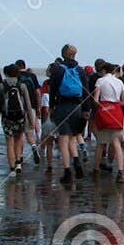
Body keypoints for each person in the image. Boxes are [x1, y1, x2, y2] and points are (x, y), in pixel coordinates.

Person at [48, 45, 88, 182]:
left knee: (63, 139)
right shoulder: (80, 70)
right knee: (73, 137)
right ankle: (76, 162)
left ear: (63, 54)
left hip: (62, 106)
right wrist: (86, 110)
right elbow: (86, 91)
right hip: (77, 106)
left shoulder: (58, 70)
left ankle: (67, 171)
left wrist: (51, 107)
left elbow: (52, 90)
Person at [90, 63, 124, 179]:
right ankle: (120, 172)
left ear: (103, 70)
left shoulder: (100, 81)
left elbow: (96, 100)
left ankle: (96, 169)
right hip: (117, 113)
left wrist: (103, 105)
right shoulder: (119, 82)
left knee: (101, 144)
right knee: (117, 143)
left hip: (104, 112)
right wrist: (115, 104)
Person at [0, 65, 35, 173]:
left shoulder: (1, 86)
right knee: (18, 139)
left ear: (6, 73)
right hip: (20, 117)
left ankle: (12, 166)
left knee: (9, 141)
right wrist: (31, 121)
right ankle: (18, 163)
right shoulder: (21, 85)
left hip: (6, 117)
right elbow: (27, 104)